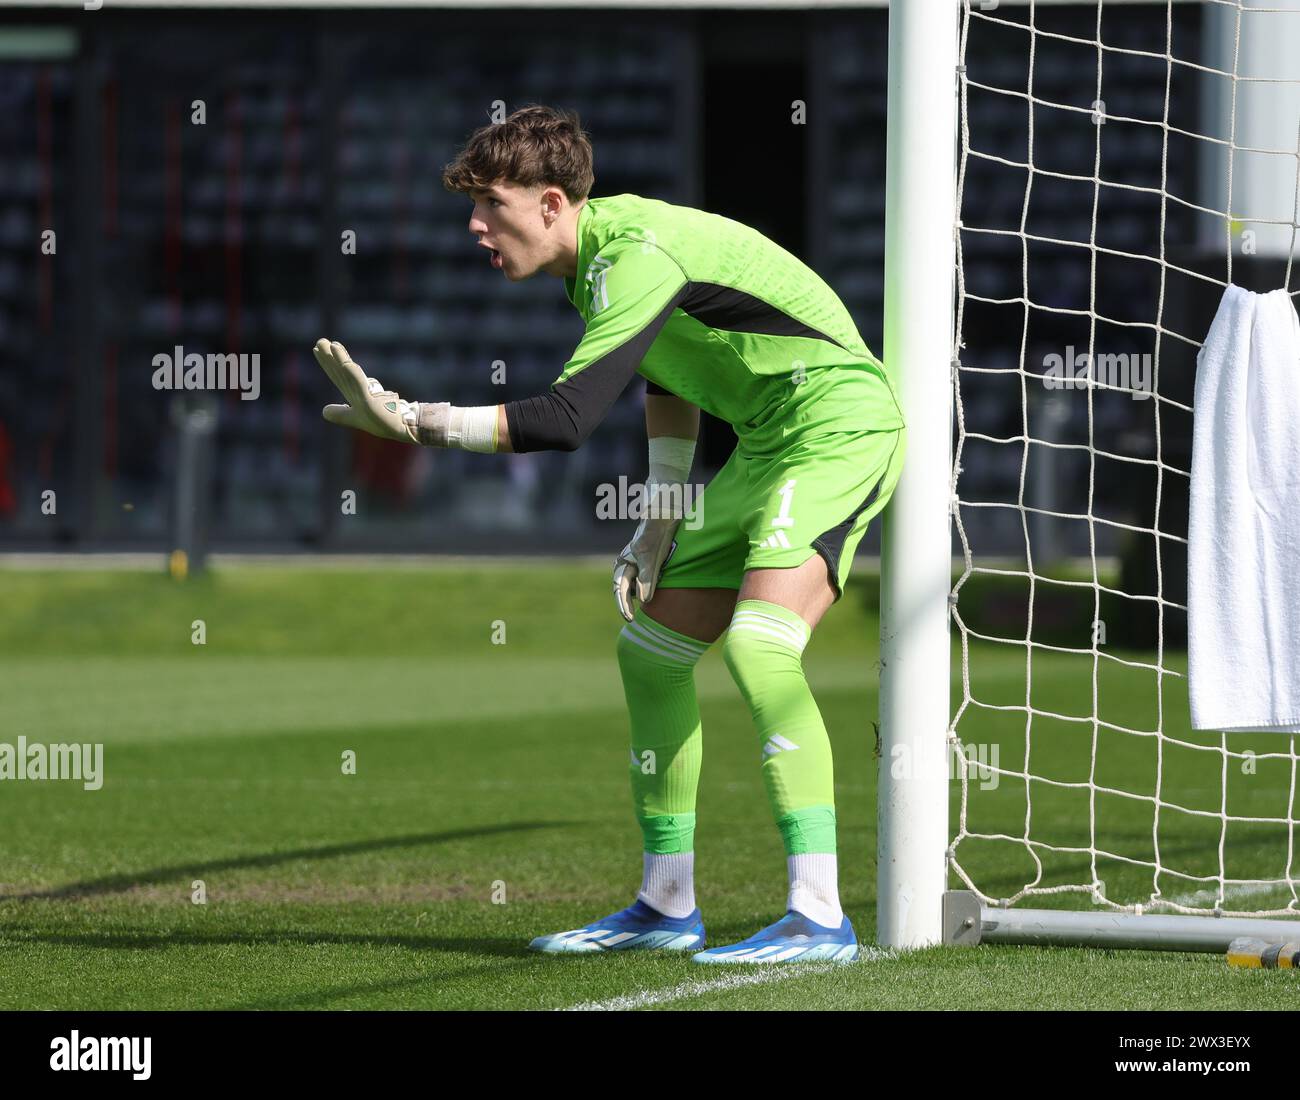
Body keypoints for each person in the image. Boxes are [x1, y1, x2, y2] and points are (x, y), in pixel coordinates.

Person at [313, 104, 906, 964]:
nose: (476, 225)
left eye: (492, 206)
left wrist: (412, 420)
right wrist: (660, 517)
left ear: (551, 203)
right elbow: (669, 371)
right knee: (650, 652)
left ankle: (819, 915)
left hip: (837, 426)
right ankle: (667, 907)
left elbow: (565, 419)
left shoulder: (632, 256)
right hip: (771, 443)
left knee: (759, 648)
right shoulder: (595, 267)